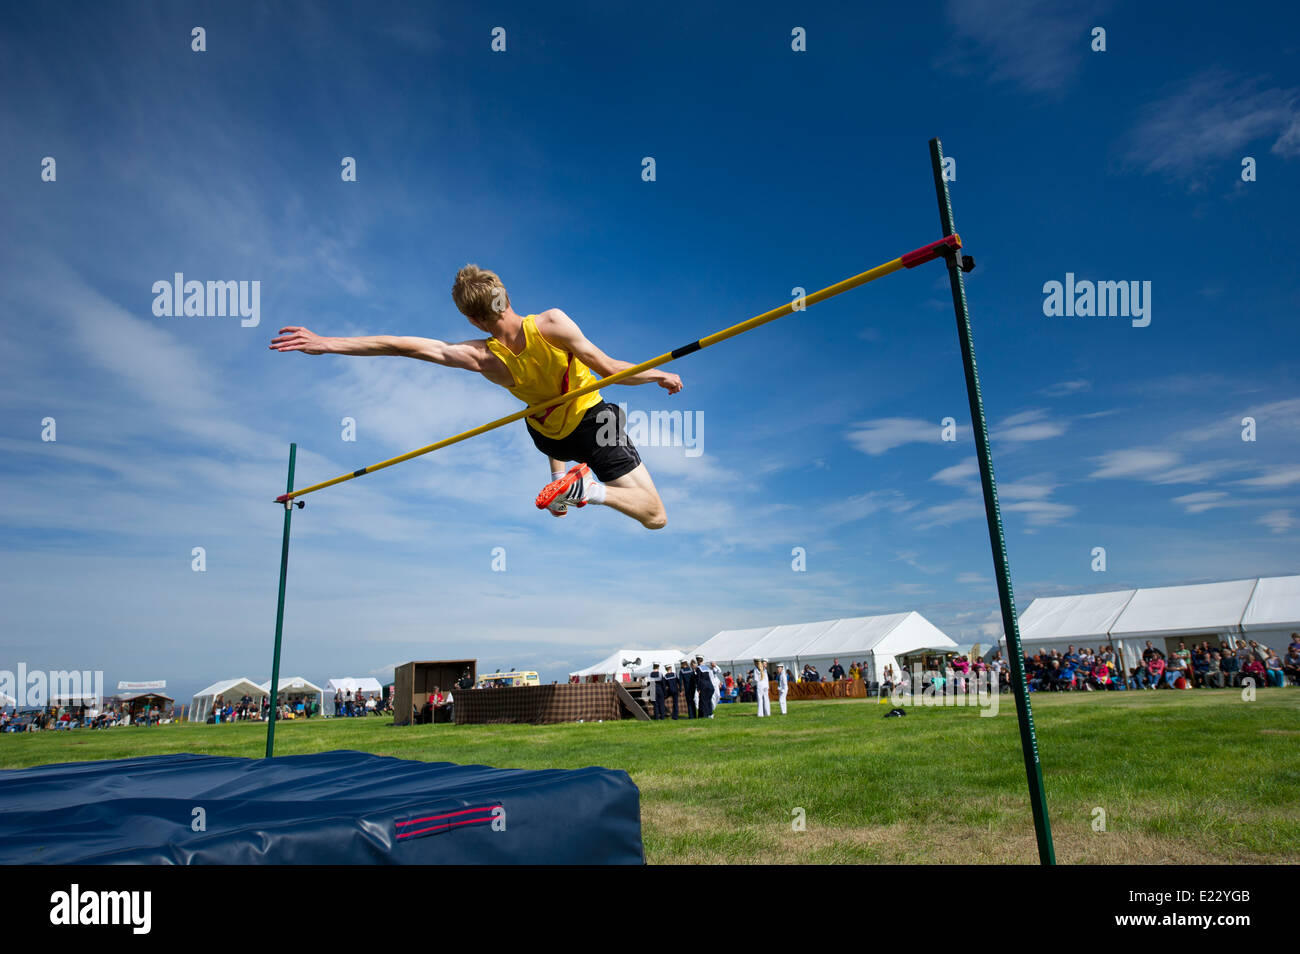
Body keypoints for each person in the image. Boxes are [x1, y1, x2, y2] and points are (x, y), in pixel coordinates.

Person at [271, 265, 682, 528]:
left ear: (471, 318)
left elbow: (403, 345)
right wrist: (658, 374)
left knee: (542, 411)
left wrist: (326, 343)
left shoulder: (481, 356)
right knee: (655, 515)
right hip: (593, 423)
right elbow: (611, 369)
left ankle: (558, 481)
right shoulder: (552, 322)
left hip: (546, 433)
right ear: (506, 295)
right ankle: (582, 491)